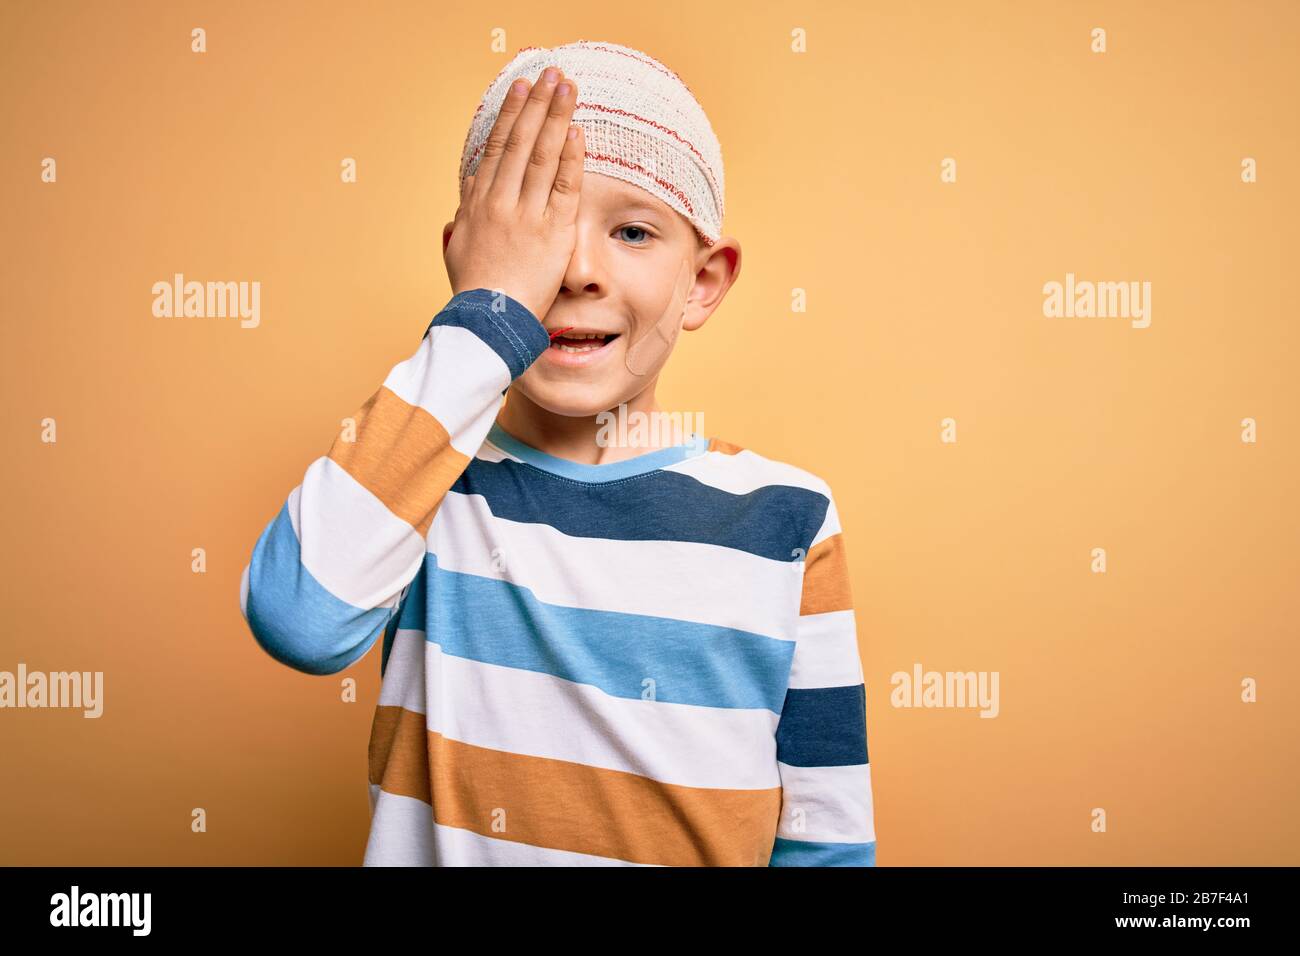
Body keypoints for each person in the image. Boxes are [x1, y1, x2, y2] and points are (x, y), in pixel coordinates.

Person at [239, 40, 876, 866]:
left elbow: (827, 844)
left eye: (634, 232)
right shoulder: (421, 486)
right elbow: (299, 620)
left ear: (705, 281)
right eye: (538, 232)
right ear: (473, 262)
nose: (576, 270)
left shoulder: (787, 518)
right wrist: (484, 319)